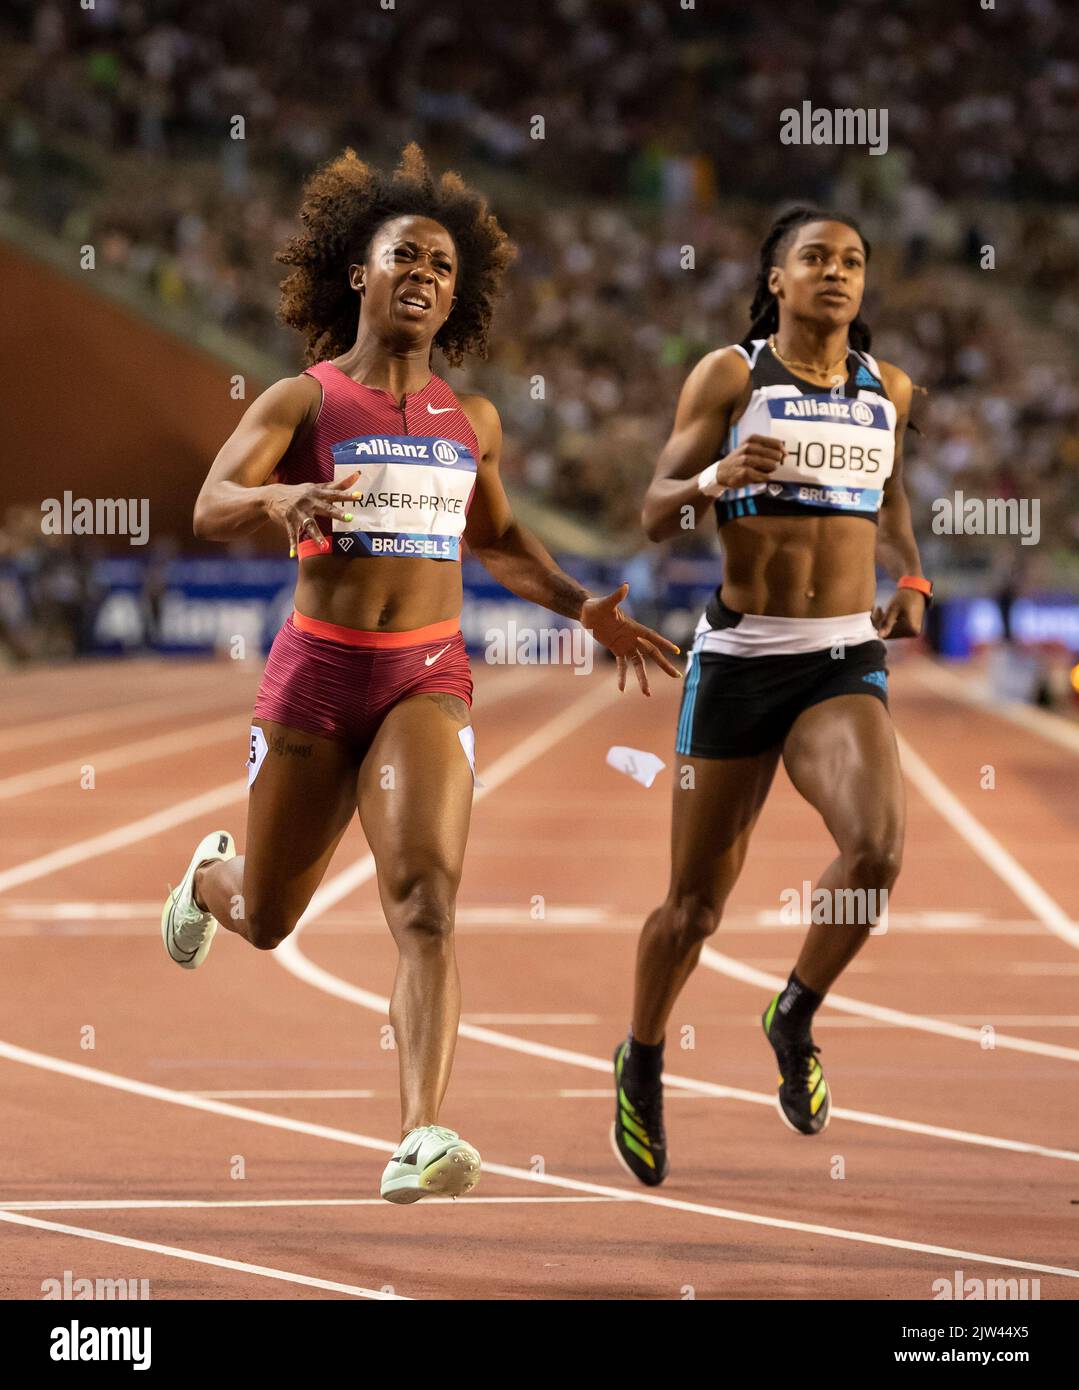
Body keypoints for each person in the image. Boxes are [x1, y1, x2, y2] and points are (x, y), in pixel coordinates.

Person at [160, 145, 680, 1204]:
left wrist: (578, 603)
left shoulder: (469, 420)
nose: (425, 276)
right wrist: (275, 504)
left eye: (443, 266)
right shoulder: (301, 402)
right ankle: (209, 878)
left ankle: (423, 1133)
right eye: (405, 255)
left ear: (458, 293)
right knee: (267, 916)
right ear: (360, 273)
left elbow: (496, 540)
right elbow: (211, 501)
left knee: (426, 907)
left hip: (424, 681)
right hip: (315, 680)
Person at [612, 207, 931, 1185]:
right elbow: (653, 510)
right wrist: (713, 474)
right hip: (742, 655)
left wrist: (908, 579)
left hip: (838, 656)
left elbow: (888, 495)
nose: (835, 273)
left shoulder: (888, 388)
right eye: (814, 259)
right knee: (693, 906)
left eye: (851, 260)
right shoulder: (730, 376)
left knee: (875, 846)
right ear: (776, 280)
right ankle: (642, 1055)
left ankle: (791, 1012)